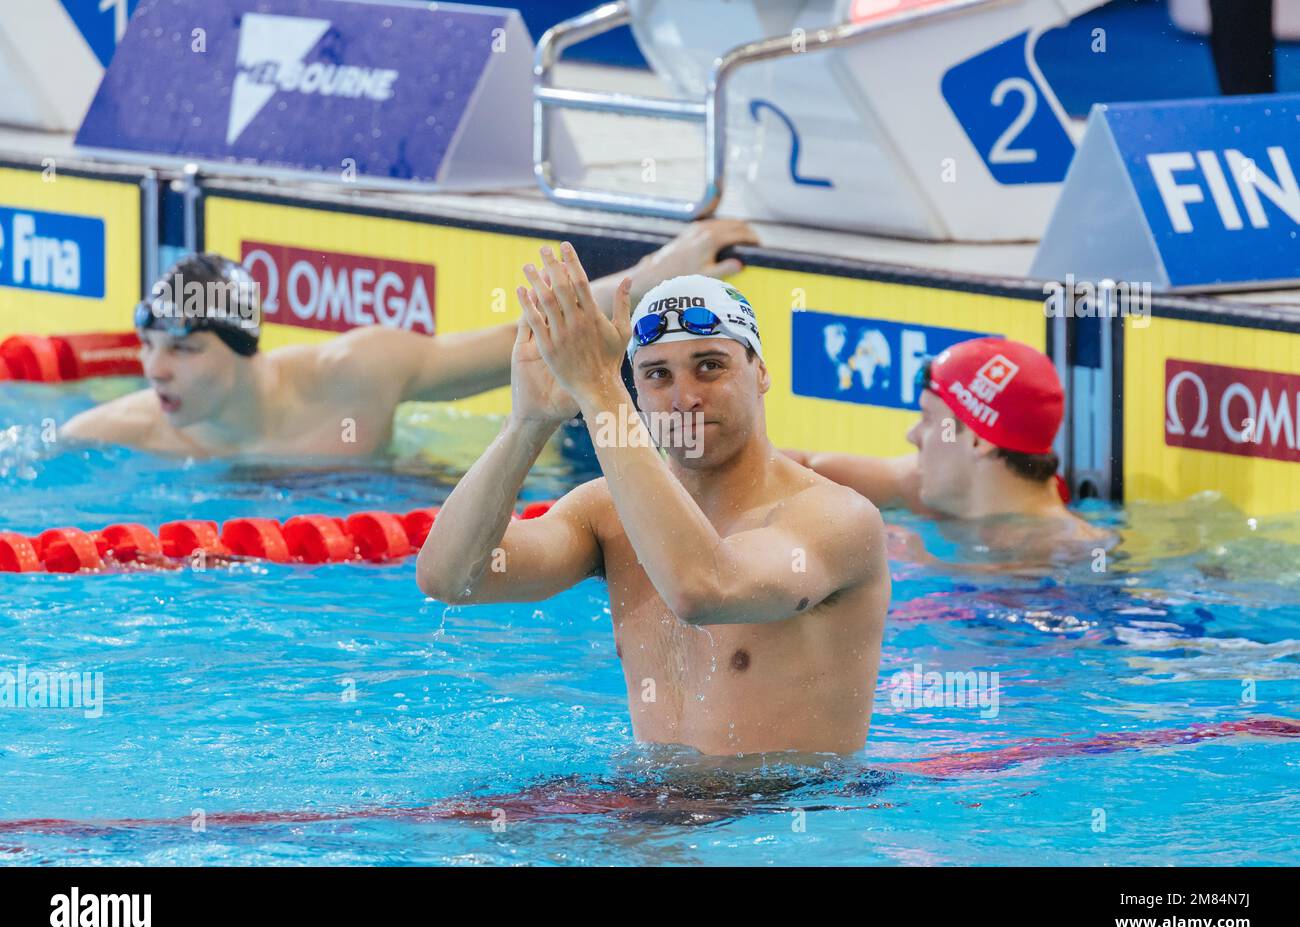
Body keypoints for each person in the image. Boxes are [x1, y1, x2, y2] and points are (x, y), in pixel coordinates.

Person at [416, 243, 890, 757]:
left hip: (780, 815)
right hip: (649, 807)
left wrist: (599, 391)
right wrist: (527, 425)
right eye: (657, 374)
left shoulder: (835, 519)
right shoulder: (606, 514)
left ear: (761, 372)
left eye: (710, 366)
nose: (684, 397)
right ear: (637, 391)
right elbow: (451, 579)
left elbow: (703, 590)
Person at [59, 220, 760, 458]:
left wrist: (661, 270)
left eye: (183, 348)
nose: (155, 370)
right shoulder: (121, 432)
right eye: (148, 345)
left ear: (245, 347)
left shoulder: (354, 372)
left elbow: (515, 337)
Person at [785, 337, 1109, 565]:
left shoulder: (1064, 549)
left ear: (978, 442)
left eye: (929, 419)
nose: (912, 435)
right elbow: (798, 468)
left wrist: (917, 561)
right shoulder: (924, 484)